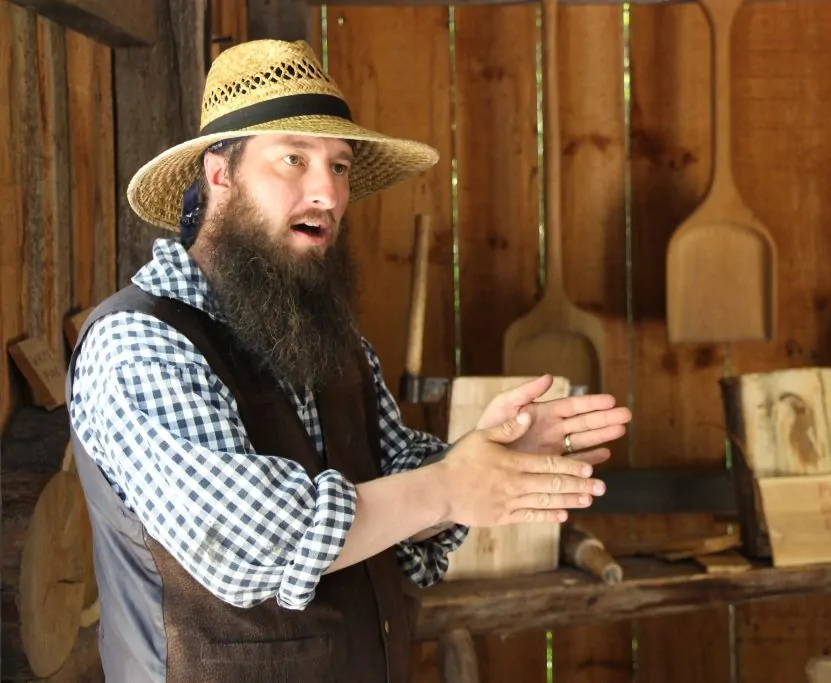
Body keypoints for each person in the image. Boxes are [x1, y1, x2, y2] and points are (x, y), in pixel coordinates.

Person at [65, 38, 631, 683]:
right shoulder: (139, 340)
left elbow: (397, 494)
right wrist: (450, 486)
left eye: (339, 166)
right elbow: (251, 543)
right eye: (293, 159)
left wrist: (488, 456)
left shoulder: (327, 336)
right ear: (220, 175)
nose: (327, 194)